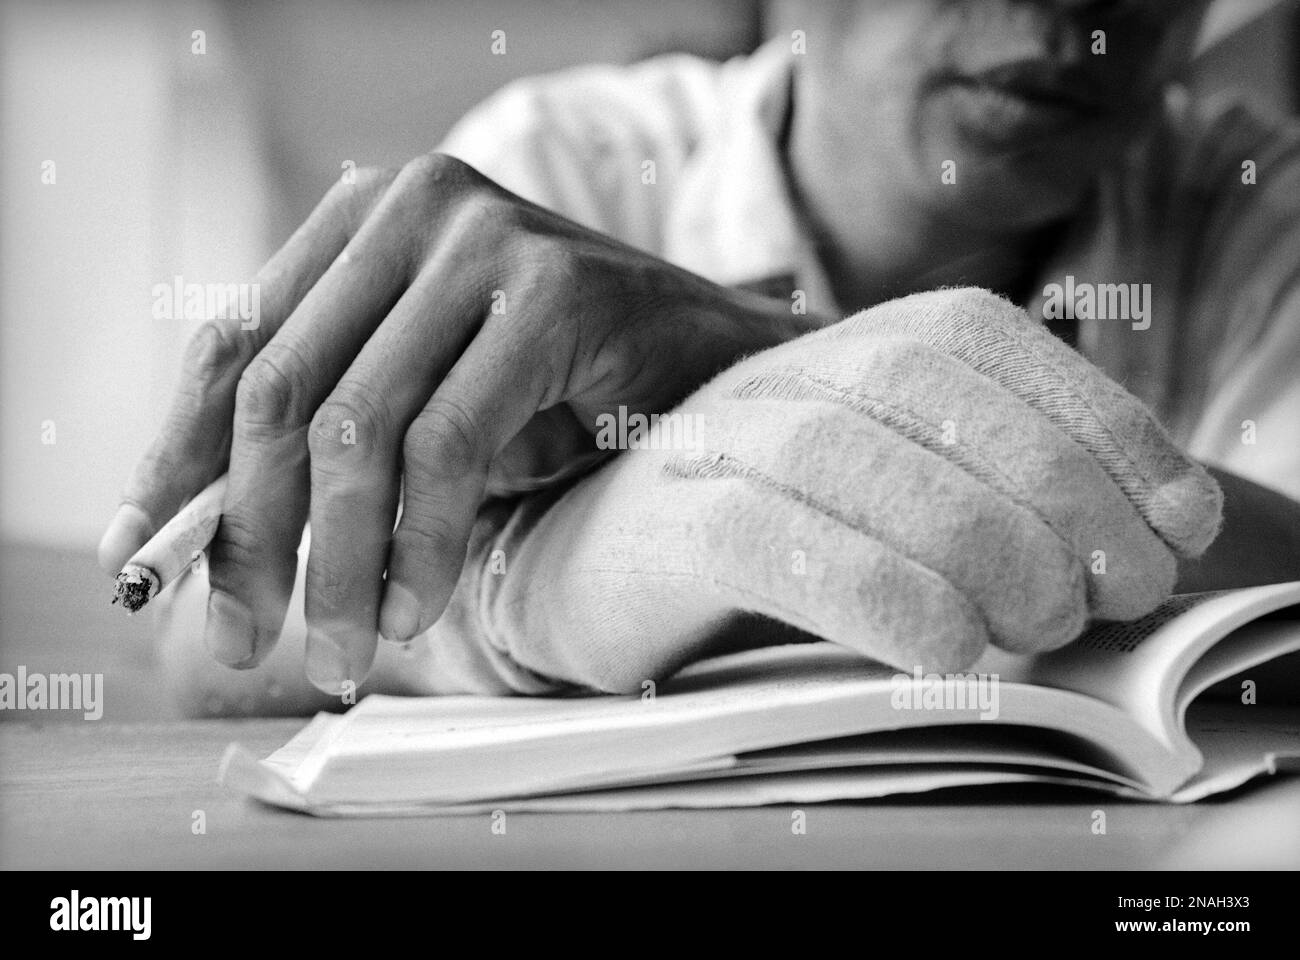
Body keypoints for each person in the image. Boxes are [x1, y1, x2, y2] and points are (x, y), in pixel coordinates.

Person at [98, 0, 1300, 712]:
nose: (1066, 10)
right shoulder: (555, 170)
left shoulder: (1264, 213)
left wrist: (737, 365)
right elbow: (239, 630)